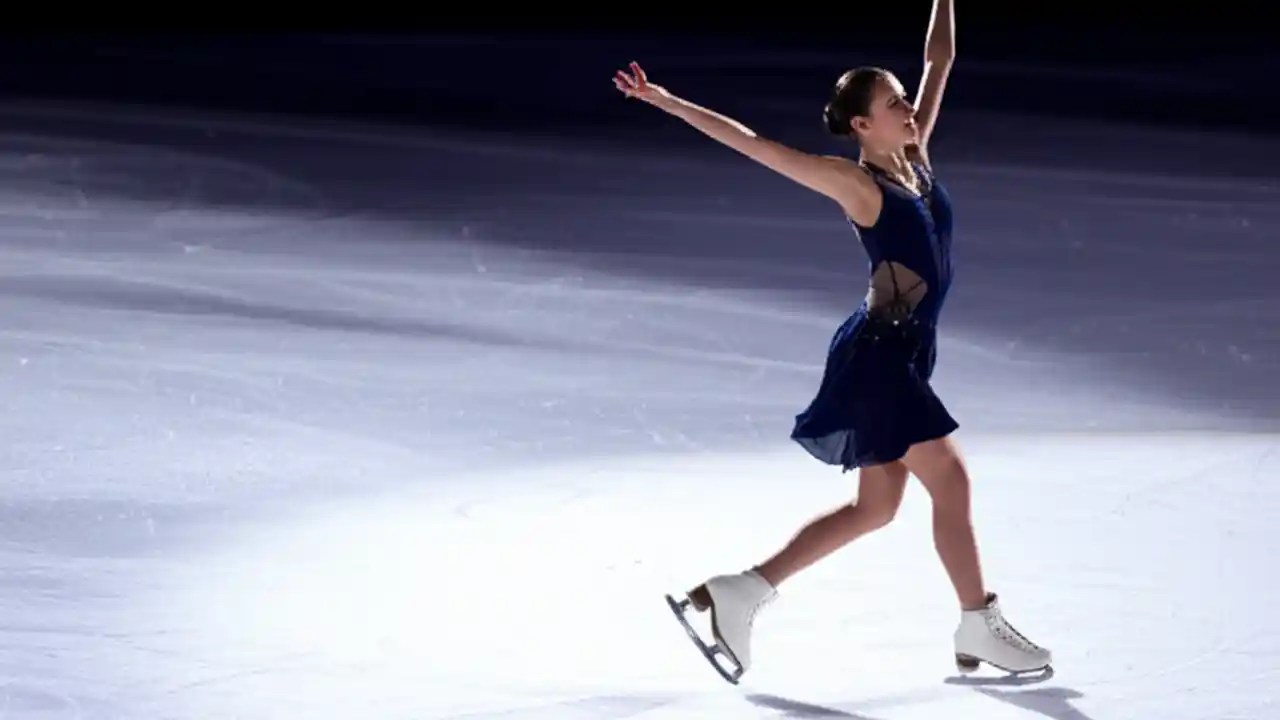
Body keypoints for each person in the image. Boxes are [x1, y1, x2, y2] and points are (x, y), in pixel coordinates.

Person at [614, 0, 1052, 684]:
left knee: (876, 509)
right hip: (879, 362)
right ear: (860, 125)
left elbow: (941, 59)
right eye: (894, 103)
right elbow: (755, 145)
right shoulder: (856, 184)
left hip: (902, 354)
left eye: (906, 101)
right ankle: (977, 621)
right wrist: (667, 101)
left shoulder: (915, 158)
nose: (909, 107)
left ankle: (740, 592)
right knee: (952, 480)